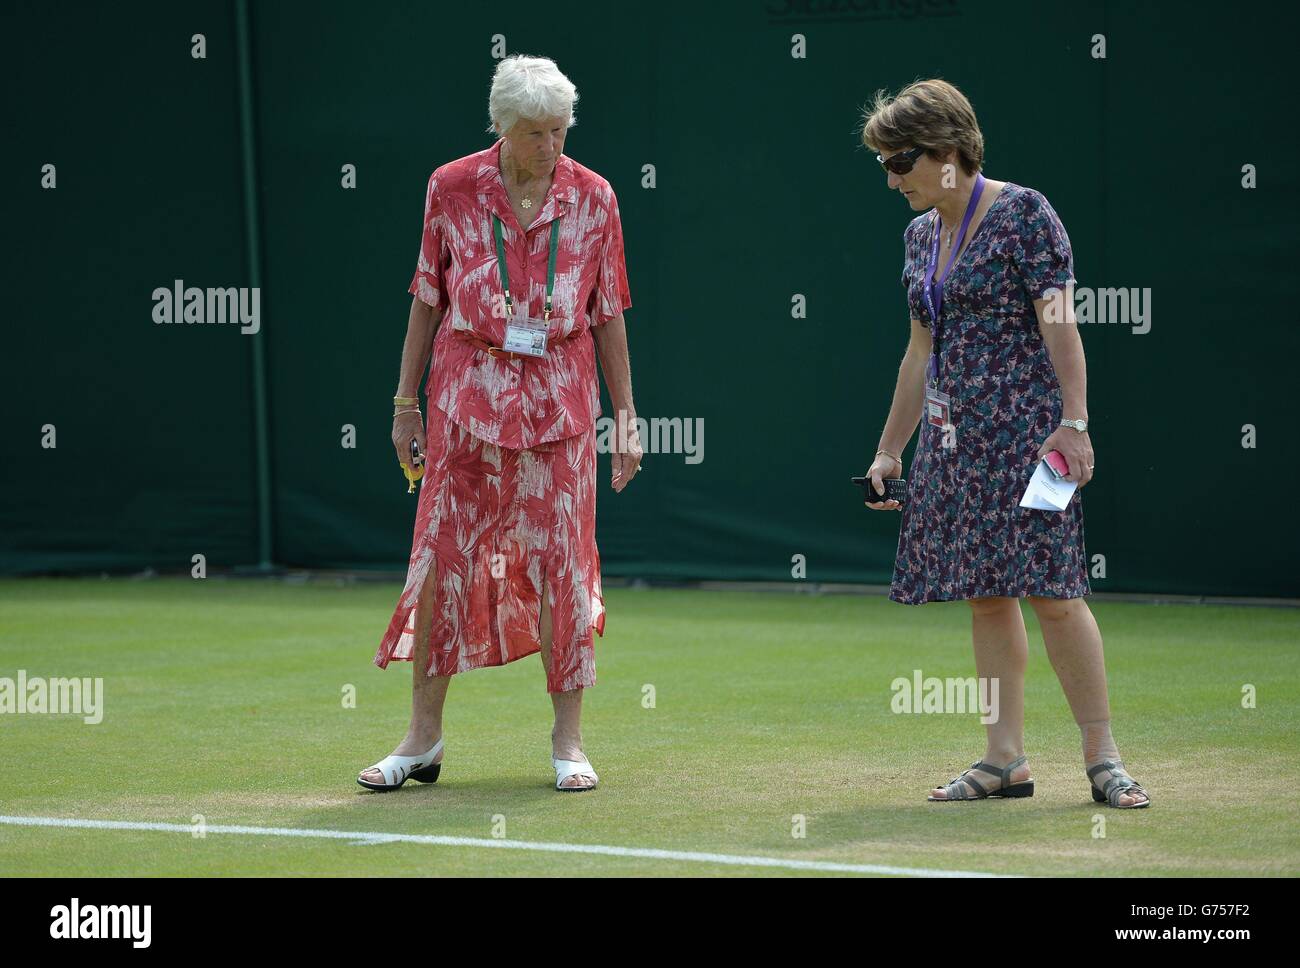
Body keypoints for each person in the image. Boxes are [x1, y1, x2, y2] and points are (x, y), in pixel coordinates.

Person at [860, 79, 1149, 808]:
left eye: (899, 162)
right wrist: (891, 451)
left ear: (947, 152)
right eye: (885, 164)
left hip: (1031, 439)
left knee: (1057, 593)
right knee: (985, 598)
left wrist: (1075, 424)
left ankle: (1104, 759)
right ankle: (1003, 761)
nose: (891, 179)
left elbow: (1061, 325)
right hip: (955, 447)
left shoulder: (1025, 213)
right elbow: (919, 351)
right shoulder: (919, 235)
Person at [359, 54, 641, 793]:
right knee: (439, 562)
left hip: (561, 401)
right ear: (502, 128)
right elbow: (427, 294)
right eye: (535, 132)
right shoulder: (450, 187)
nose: (550, 146)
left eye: (560, 130)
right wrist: (404, 403)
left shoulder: (596, 198)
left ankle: (569, 743)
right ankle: (422, 740)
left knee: (565, 571)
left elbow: (608, 310)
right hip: (464, 398)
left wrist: (629, 416)